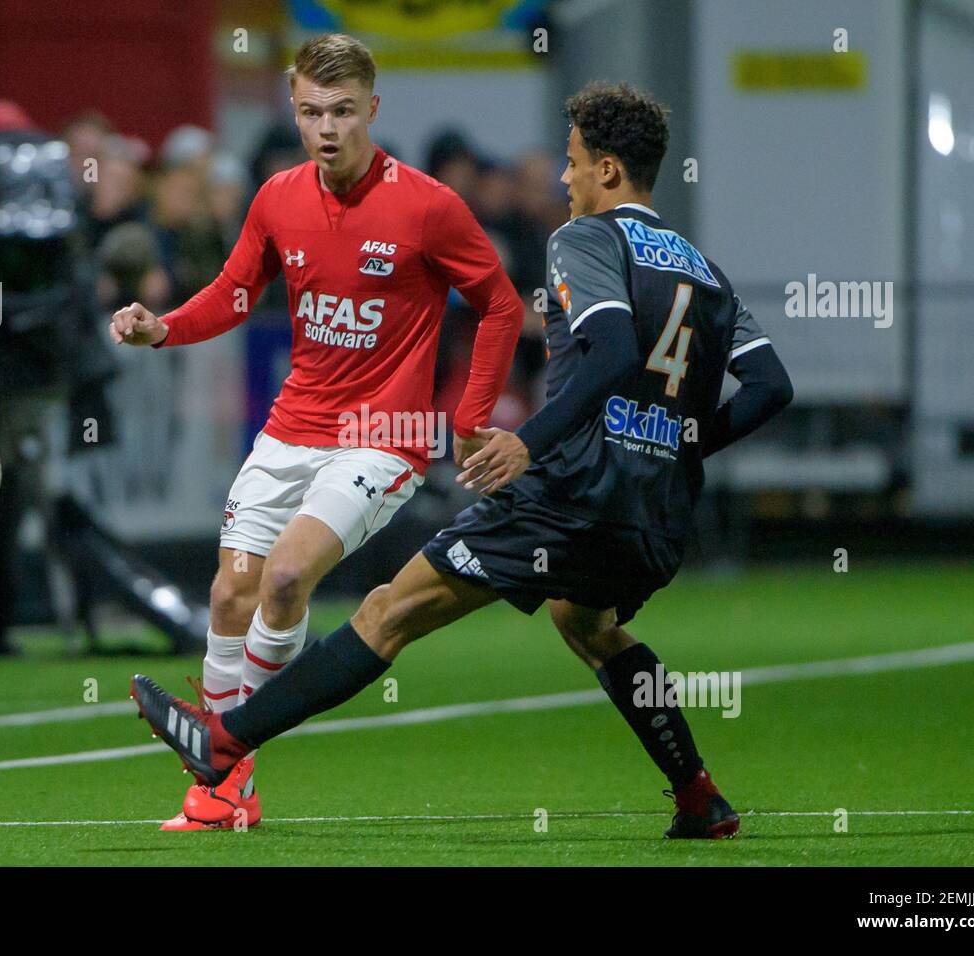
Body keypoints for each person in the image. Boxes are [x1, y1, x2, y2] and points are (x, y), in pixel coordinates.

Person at [130, 81, 794, 840]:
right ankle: (698, 795)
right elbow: (773, 385)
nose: (563, 180)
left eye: (573, 164)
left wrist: (528, 443)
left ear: (609, 171)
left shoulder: (585, 239)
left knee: (388, 612)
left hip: (569, 492)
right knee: (588, 622)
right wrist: (684, 443)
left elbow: (611, 351)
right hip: (656, 515)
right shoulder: (705, 271)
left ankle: (222, 744)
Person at [110, 33, 525, 831]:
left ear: (372, 109)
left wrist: (469, 418)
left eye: (342, 111)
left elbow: (502, 304)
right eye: (310, 112)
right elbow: (236, 291)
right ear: (294, 114)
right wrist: (163, 328)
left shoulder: (429, 206)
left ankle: (224, 753)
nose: (327, 127)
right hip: (291, 427)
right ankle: (226, 781)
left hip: (384, 436)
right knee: (230, 592)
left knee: (286, 577)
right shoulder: (277, 197)